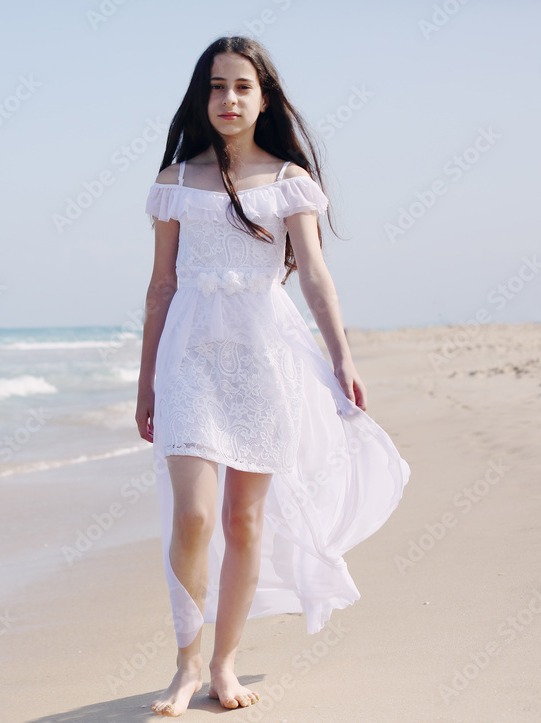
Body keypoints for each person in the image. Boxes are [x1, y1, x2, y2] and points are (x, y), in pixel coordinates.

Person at [135, 36, 410, 716]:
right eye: (217, 86)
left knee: (244, 519)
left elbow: (314, 274)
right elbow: (161, 286)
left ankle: (224, 664)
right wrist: (145, 381)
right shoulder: (173, 182)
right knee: (195, 515)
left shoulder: (289, 180)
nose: (228, 99)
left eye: (242, 87)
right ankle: (186, 663)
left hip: (264, 359)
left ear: (264, 99)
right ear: (202, 97)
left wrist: (342, 356)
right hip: (190, 358)